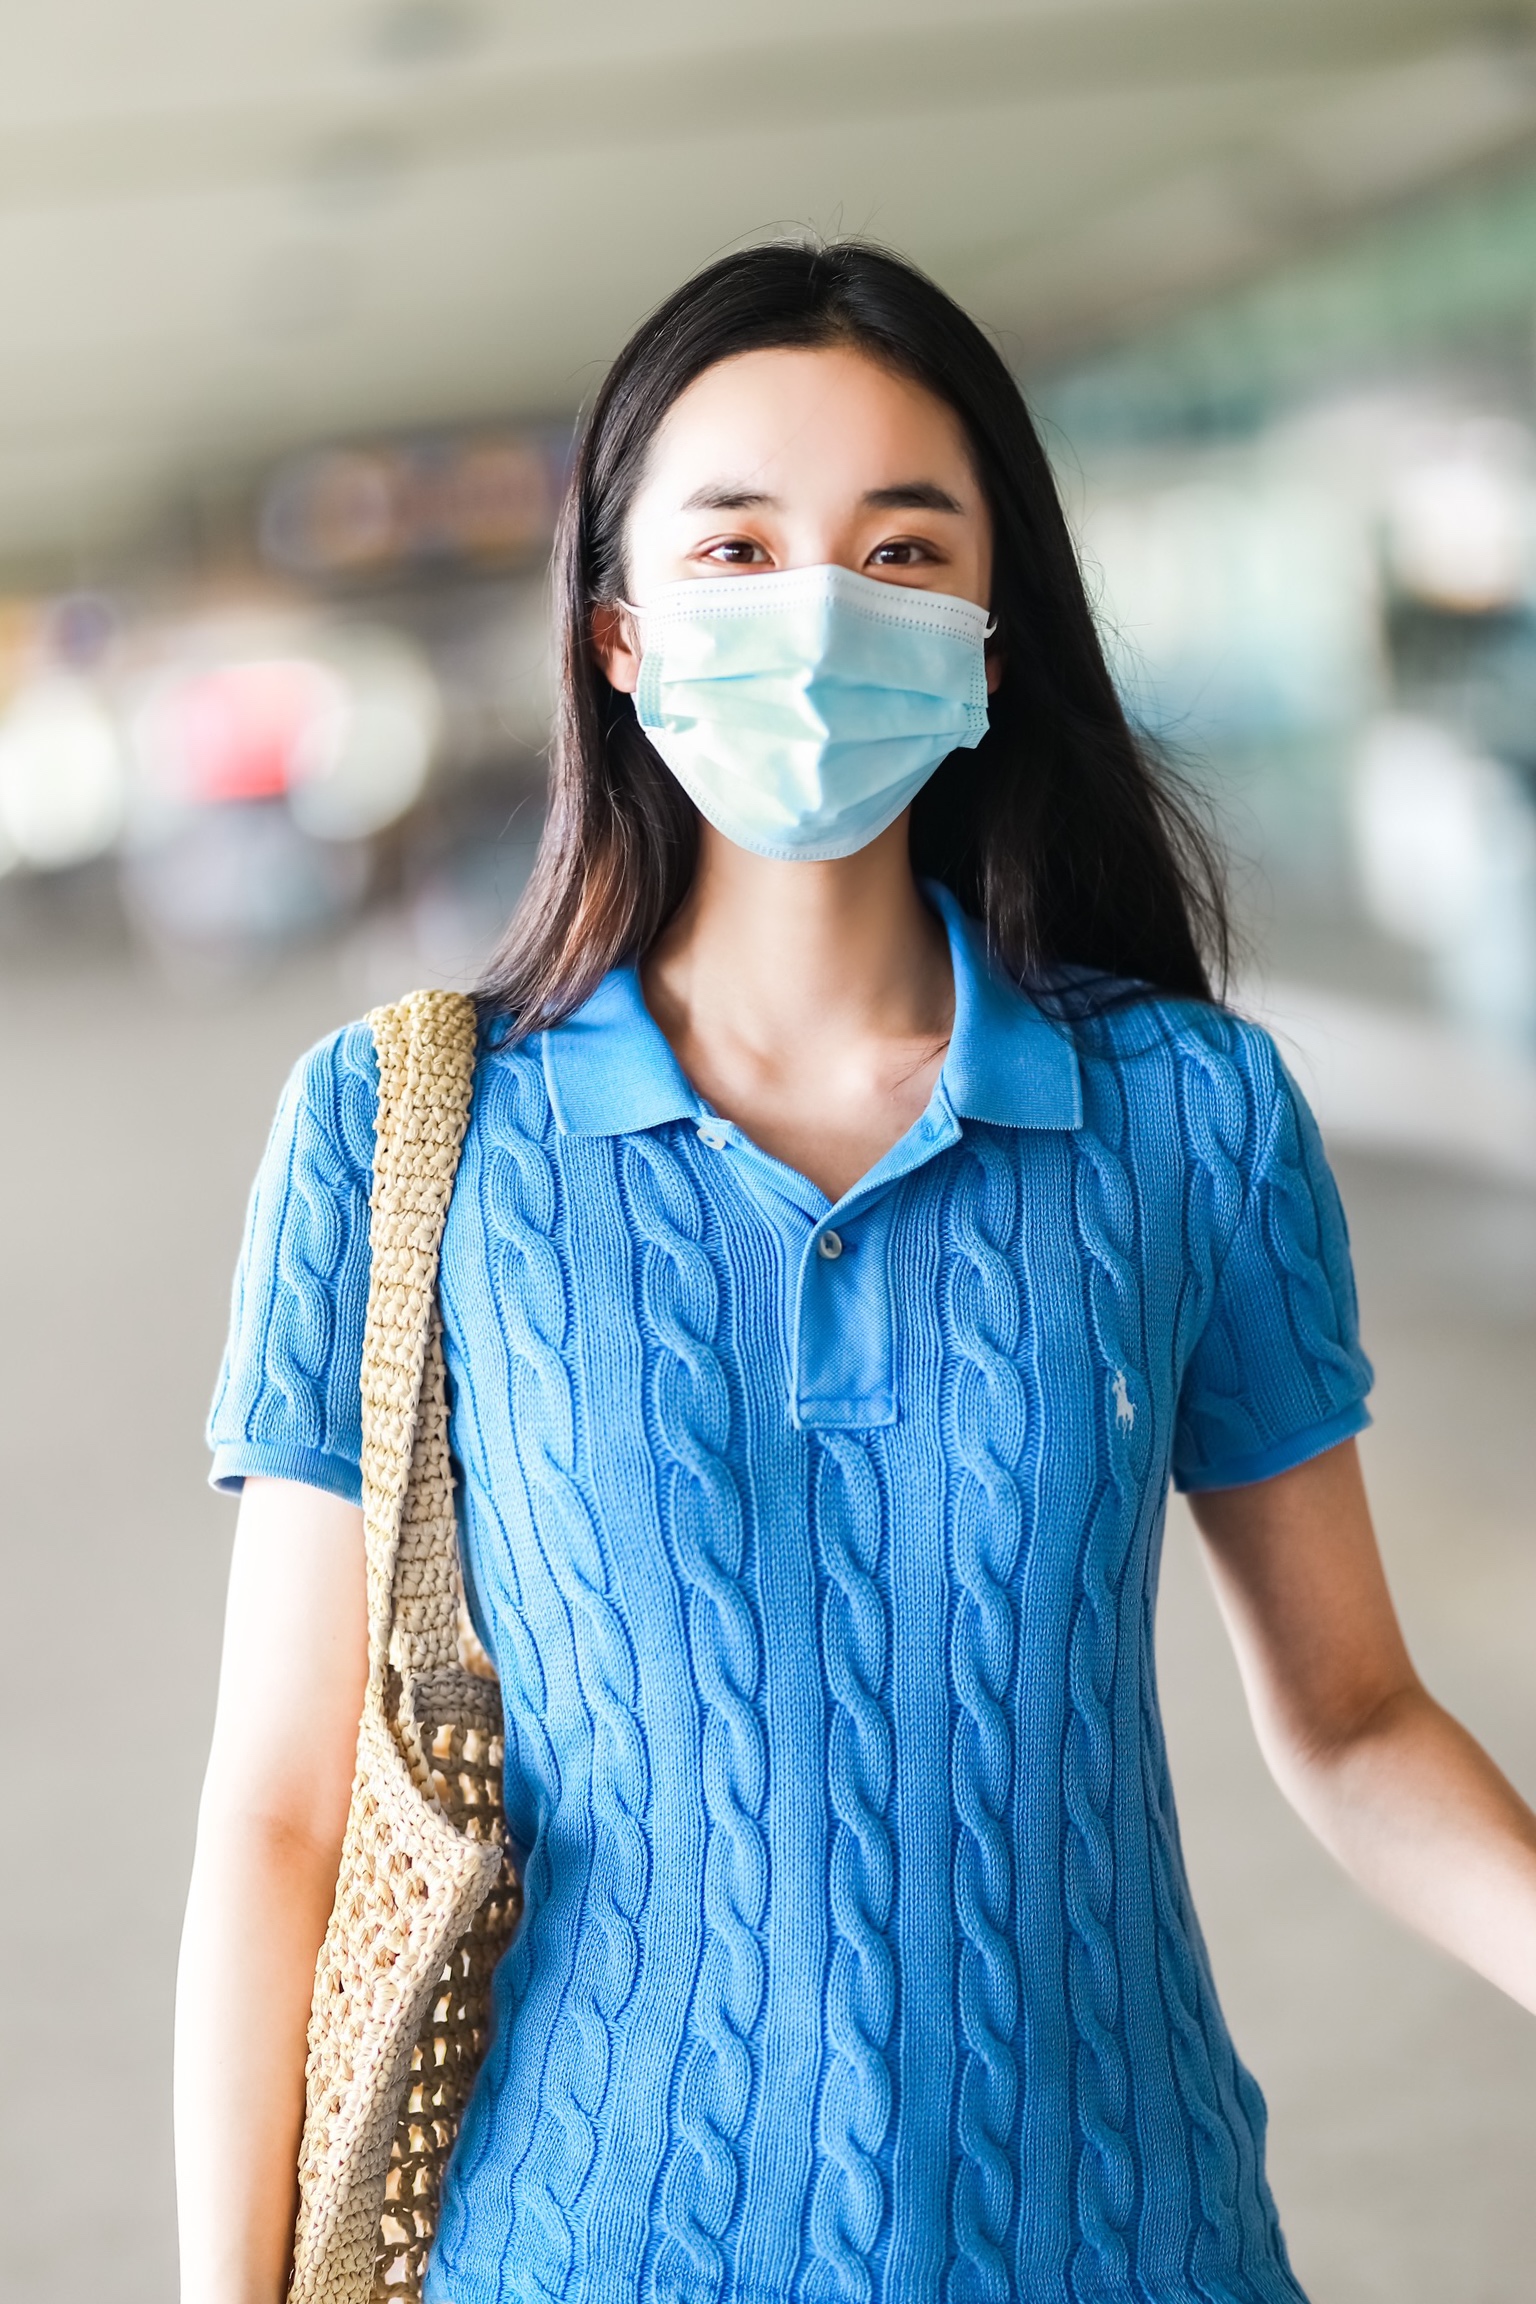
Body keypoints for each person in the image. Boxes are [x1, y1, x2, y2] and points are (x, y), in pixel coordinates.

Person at [176, 241, 1536, 2304]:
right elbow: (280, 1818)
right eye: (737, 547)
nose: (820, 612)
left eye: (904, 550)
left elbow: (1353, 1718)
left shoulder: (1186, 1119)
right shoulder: (397, 1142)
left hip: (1124, 2249)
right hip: (578, 2258)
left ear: (993, 645)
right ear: (619, 633)